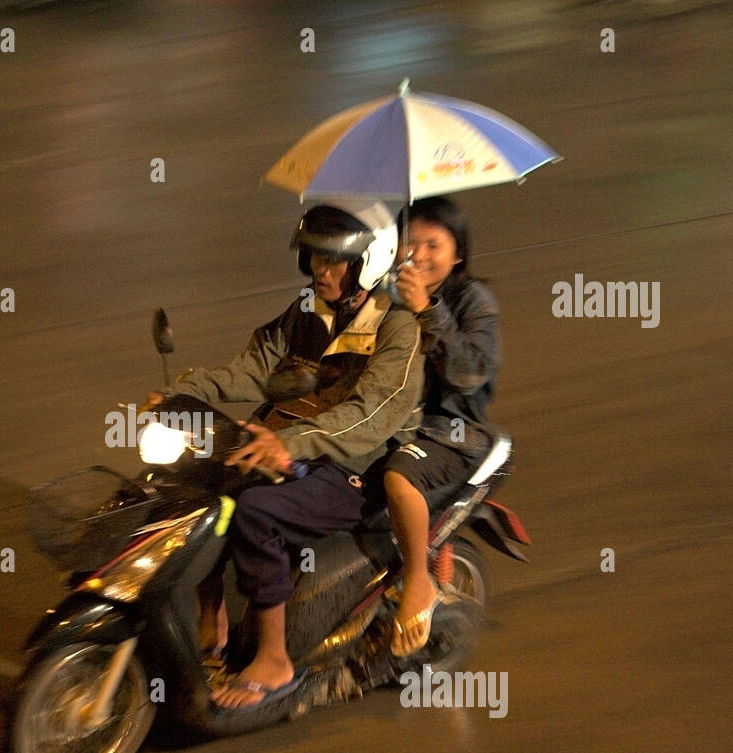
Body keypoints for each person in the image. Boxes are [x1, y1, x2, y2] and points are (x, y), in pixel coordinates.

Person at [148, 198, 424, 709]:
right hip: (290, 444)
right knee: (198, 480)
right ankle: (213, 618)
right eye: (315, 256)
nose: (321, 270)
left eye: (334, 260)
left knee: (256, 512)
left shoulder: (397, 328)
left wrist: (289, 442)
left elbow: (368, 416)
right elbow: (254, 368)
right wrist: (184, 393)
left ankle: (274, 659)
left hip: (354, 466)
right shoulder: (308, 311)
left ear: (369, 263)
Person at [380, 196, 502, 655]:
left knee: (399, 477)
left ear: (459, 253)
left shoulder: (475, 301)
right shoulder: (383, 292)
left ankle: (418, 582)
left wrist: (427, 308)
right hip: (388, 419)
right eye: (410, 243)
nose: (420, 254)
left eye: (434, 245)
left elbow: (468, 373)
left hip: (449, 430)